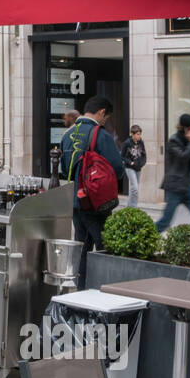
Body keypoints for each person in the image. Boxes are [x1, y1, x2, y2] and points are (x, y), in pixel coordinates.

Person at [59, 96, 125, 290]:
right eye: (107, 116)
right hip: (95, 202)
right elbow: (117, 168)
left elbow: (63, 169)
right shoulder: (99, 134)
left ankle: (81, 289)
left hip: (75, 201)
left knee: (81, 245)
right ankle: (101, 289)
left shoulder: (67, 135)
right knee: (103, 246)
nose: (106, 121)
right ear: (102, 112)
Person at [155, 114, 190, 233]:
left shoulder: (188, 142)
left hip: (188, 187)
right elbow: (183, 157)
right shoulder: (174, 140)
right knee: (166, 221)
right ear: (186, 128)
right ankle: (146, 237)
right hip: (174, 187)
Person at [121, 125, 146, 208]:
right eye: (138, 134)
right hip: (129, 168)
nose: (139, 136)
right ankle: (133, 207)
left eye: (140, 134)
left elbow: (143, 154)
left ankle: (129, 207)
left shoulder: (141, 142)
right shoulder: (127, 143)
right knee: (134, 188)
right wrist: (131, 163)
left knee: (134, 189)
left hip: (138, 167)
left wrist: (142, 163)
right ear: (132, 134)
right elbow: (122, 156)